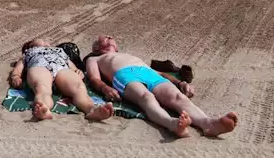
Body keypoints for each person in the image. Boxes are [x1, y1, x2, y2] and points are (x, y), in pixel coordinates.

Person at [86, 35, 238, 138]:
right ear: (97, 48)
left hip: (147, 72)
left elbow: (159, 72)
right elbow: (94, 78)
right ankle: (171, 123)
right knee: (147, 97)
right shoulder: (96, 58)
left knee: (178, 97)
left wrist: (179, 82)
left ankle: (209, 124)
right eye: (105, 37)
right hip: (124, 75)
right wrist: (105, 88)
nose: (110, 37)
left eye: (111, 37)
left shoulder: (130, 55)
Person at [9, 39, 113, 122]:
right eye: (41, 40)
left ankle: (91, 109)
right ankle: (44, 108)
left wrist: (77, 70)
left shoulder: (59, 50)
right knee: (41, 87)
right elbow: (19, 68)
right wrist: (16, 76)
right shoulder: (29, 52)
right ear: (30, 45)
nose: (46, 42)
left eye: (47, 42)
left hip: (61, 68)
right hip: (39, 65)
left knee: (79, 87)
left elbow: (70, 63)